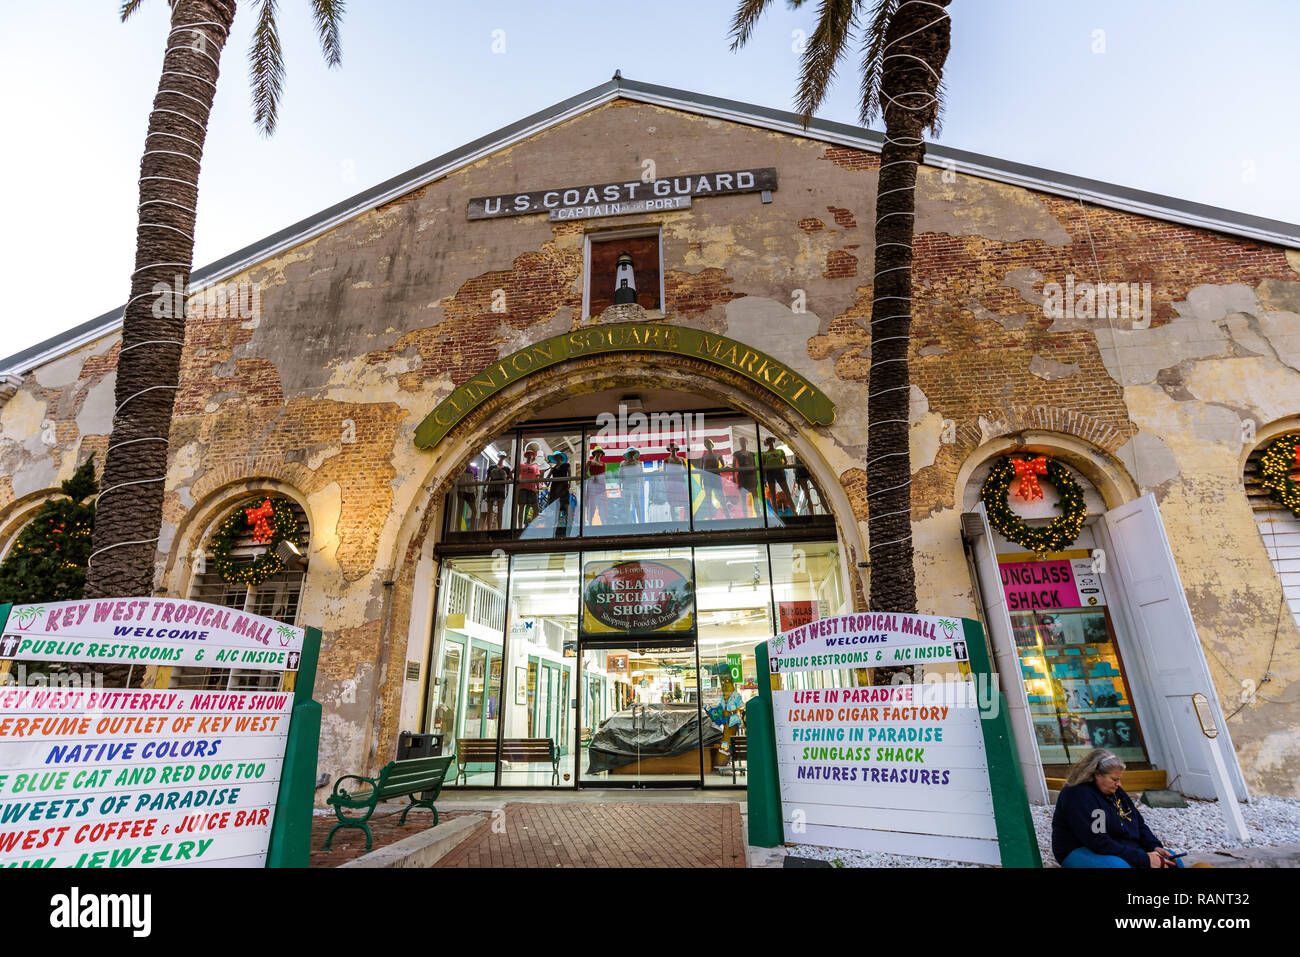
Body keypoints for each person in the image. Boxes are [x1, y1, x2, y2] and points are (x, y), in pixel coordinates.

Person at [1051, 748, 1182, 868]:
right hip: (1079, 847)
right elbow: (1098, 841)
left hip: (1116, 843)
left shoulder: (1115, 790)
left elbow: (1139, 824)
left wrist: (1154, 846)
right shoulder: (1079, 794)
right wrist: (1144, 859)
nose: (1119, 784)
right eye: (1114, 779)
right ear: (1097, 774)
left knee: (1174, 862)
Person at [515, 447, 541, 528]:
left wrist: (538, 488)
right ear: (526, 456)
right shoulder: (521, 465)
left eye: (531, 454)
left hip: (532, 488)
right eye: (528, 454)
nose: (530, 456)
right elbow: (515, 473)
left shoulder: (536, 466)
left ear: (533, 456)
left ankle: (531, 526)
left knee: (536, 509)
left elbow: (537, 478)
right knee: (521, 508)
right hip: (522, 488)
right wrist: (517, 484)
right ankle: (519, 527)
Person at [483, 452, 511, 530]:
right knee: (489, 509)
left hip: (501, 488)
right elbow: (487, 478)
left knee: (500, 510)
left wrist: (507, 490)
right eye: (500, 456)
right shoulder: (492, 467)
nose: (501, 458)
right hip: (492, 487)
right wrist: (484, 487)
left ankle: (499, 529)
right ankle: (488, 528)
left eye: (503, 457)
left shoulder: (506, 468)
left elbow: (508, 480)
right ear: (498, 456)